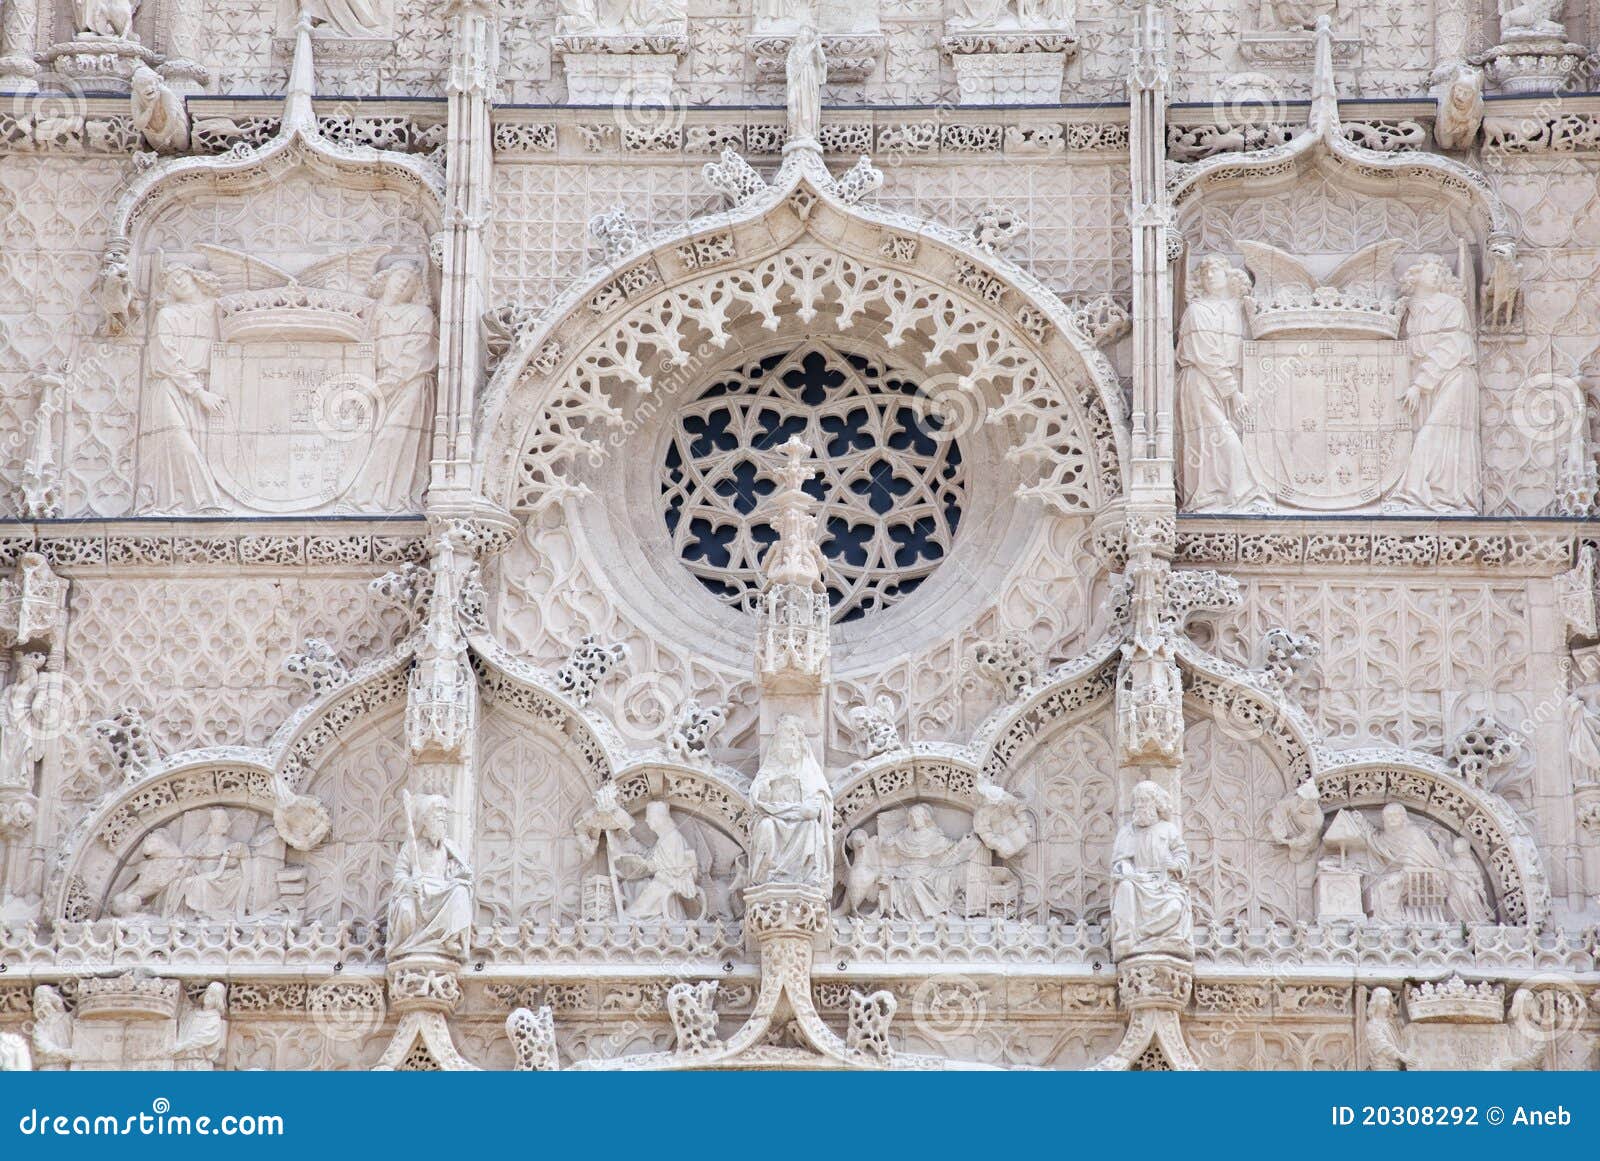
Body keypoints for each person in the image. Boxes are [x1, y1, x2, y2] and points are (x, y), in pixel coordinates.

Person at [1177, 256, 1267, 511]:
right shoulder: (1197, 311)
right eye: (1204, 273)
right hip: (1202, 382)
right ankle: (1243, 495)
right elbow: (1207, 356)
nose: (1208, 276)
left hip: (1229, 382)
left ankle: (1219, 495)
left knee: (1227, 436)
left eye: (1214, 270)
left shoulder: (1235, 310)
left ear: (1228, 274)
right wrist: (1233, 392)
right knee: (1219, 436)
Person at [1391, 256, 1479, 514]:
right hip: (1422, 380)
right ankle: (1432, 493)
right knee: (1424, 434)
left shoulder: (1451, 305)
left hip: (1452, 377)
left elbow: (1452, 345)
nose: (1437, 274)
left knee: (1437, 434)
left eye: (1441, 271)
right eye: (1431, 269)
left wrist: (1420, 384)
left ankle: (1422, 495)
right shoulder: (1408, 309)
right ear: (1414, 274)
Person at [141, 265, 227, 513]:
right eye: (169, 280)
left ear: (195, 276)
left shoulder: (215, 309)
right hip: (172, 388)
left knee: (203, 450)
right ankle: (191, 503)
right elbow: (166, 358)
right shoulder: (167, 315)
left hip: (206, 388)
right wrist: (199, 392)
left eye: (181, 274)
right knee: (179, 445)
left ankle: (203, 503)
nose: (176, 281)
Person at [363, 264, 436, 510]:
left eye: (412, 282)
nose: (404, 283)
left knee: (392, 438)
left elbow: (414, 358)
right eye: (401, 275)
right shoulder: (368, 314)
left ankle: (383, 498)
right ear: (386, 278)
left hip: (408, 386)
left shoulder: (420, 315)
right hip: (373, 385)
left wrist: (378, 388)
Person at [1110, 781, 1192, 958]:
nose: (1140, 805)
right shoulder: (1127, 831)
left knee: (1175, 907)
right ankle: (1127, 938)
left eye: (1145, 800)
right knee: (1125, 887)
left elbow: (1182, 855)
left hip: (1163, 885)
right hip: (1137, 882)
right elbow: (1119, 862)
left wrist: (1175, 865)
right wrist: (1127, 870)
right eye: (1137, 801)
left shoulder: (1168, 829)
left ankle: (1142, 936)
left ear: (1156, 803)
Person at [748, 715, 832, 887]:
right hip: (774, 817)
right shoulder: (770, 767)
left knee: (811, 826)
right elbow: (756, 796)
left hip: (800, 819)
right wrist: (764, 788)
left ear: (799, 740)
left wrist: (812, 805)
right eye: (783, 735)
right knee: (765, 826)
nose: (788, 740)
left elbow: (819, 801)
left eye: (792, 734)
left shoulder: (808, 769)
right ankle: (767, 874)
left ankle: (808, 877)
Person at [388, 793, 474, 960]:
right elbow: (400, 873)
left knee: (461, 892)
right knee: (405, 908)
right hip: (420, 890)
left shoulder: (449, 847)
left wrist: (458, 876)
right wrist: (408, 885)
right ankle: (409, 945)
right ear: (425, 821)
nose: (442, 821)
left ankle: (450, 938)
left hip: (442, 890)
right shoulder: (412, 846)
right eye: (437, 818)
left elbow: (464, 871)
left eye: (443, 820)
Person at [616, 802, 700, 920]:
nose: (646, 820)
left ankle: (636, 917)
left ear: (659, 818)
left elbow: (672, 868)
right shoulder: (664, 838)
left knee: (649, 889)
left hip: (671, 881)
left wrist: (645, 864)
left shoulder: (672, 837)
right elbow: (655, 859)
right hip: (664, 879)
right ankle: (640, 917)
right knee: (637, 884)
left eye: (649, 817)